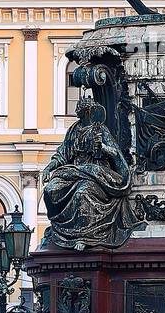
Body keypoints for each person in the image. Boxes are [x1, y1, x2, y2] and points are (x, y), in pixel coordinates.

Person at [42, 95, 142, 249]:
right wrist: (50, 167)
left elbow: (115, 153)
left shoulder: (100, 129)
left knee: (82, 193)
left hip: (96, 173)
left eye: (82, 112)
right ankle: (60, 232)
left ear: (89, 112)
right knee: (50, 190)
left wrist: (102, 147)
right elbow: (63, 153)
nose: (79, 114)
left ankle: (84, 237)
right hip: (74, 171)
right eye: (79, 112)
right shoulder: (74, 129)